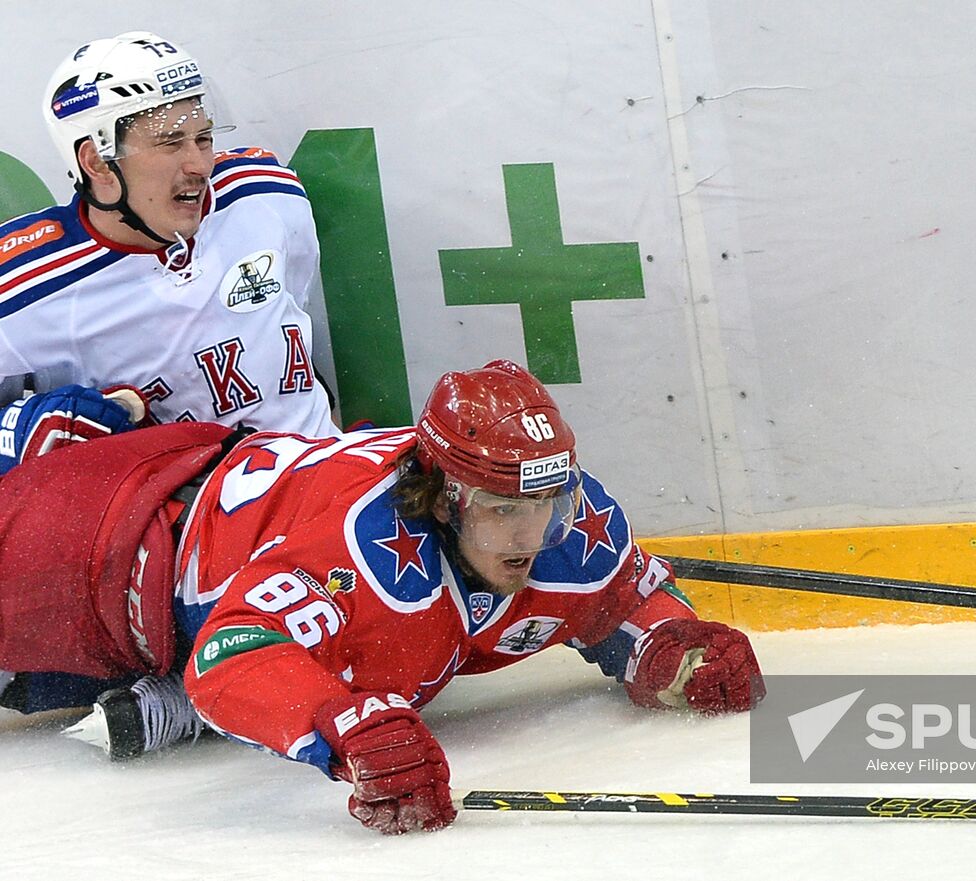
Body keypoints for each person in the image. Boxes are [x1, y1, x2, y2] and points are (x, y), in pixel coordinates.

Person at [0, 360, 765, 834]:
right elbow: (231, 650)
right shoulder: (358, 555)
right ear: (440, 498)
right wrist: (343, 726)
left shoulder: (563, 519)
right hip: (108, 550)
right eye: (502, 509)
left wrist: (668, 640)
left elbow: (621, 595)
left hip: (207, 506)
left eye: (548, 503)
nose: (532, 535)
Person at [0, 31, 337, 727]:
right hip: (186, 547)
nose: (197, 166)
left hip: (328, 490)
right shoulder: (32, 284)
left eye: (203, 136)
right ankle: (201, 684)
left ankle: (194, 694)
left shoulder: (264, 194)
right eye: (168, 142)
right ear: (97, 159)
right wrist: (28, 426)